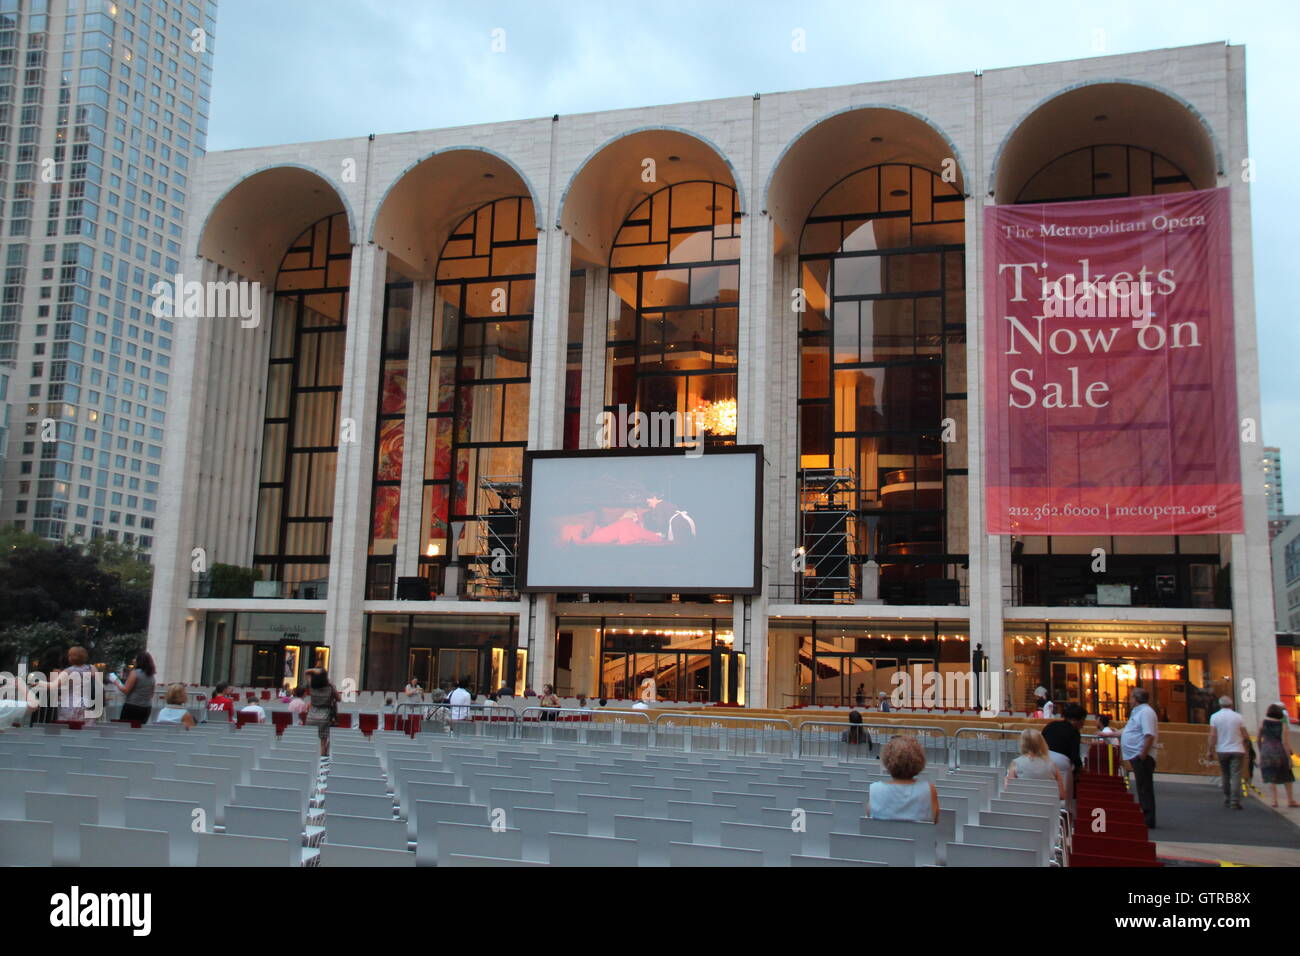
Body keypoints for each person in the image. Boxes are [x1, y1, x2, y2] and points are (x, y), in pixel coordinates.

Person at [866, 736, 939, 823]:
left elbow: (870, 821)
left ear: (887, 762)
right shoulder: (929, 790)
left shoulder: (875, 790)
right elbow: (934, 821)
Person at [1121, 687, 1159, 828]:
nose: (1129, 700)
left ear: (1135, 699)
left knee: (1144, 787)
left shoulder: (1145, 712)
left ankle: (1148, 817)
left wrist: (1143, 754)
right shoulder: (1139, 712)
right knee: (1142, 786)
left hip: (1142, 755)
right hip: (1137, 753)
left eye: (1131, 697)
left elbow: (1149, 734)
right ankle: (1145, 814)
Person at [1207, 695, 1249, 810]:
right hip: (1237, 748)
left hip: (1222, 749)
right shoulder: (1238, 717)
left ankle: (1227, 797)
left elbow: (1213, 735)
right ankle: (1235, 801)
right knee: (1236, 775)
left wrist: (1210, 750)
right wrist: (1246, 747)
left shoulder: (1214, 717)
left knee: (1225, 774)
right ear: (1231, 705)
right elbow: (1245, 735)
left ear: (1220, 705)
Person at [1005, 728, 1067, 799]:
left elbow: (1009, 791)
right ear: (1042, 743)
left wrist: (1005, 781)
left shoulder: (1016, 763)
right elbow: (1062, 795)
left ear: (1022, 744)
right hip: (1047, 808)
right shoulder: (1052, 764)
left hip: (1023, 806)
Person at [1257, 703, 1298, 808]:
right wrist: (1289, 758)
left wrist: (1261, 750)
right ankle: (1290, 800)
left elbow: (1258, 739)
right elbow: (1285, 742)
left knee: (1271, 776)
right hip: (1280, 751)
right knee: (1287, 776)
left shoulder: (1263, 723)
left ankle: (1274, 800)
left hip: (1266, 751)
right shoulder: (1282, 725)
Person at [1042, 702, 1085, 786]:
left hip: (1044, 761)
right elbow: (1074, 754)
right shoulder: (1074, 732)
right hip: (1062, 765)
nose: (1083, 725)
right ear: (1075, 720)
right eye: (1082, 721)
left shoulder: (1051, 725)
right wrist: (1078, 768)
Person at [55, 646, 99, 725]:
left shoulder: (68, 671)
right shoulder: (92, 668)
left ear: (70, 657)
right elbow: (97, 683)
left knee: (69, 728)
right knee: (87, 728)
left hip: (71, 704)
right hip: (88, 703)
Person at [110, 652, 157, 724]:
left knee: (125, 729)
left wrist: (116, 682)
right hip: (146, 708)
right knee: (138, 731)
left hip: (132, 706)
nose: (133, 660)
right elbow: (151, 694)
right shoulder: (151, 676)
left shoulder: (135, 673)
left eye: (136, 658)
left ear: (140, 661)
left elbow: (126, 690)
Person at [305, 667, 338, 758]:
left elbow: (306, 672)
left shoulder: (312, 686)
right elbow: (339, 699)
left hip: (311, 716)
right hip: (324, 716)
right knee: (322, 743)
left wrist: (317, 671)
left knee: (311, 742)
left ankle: (311, 762)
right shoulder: (330, 688)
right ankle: (320, 766)